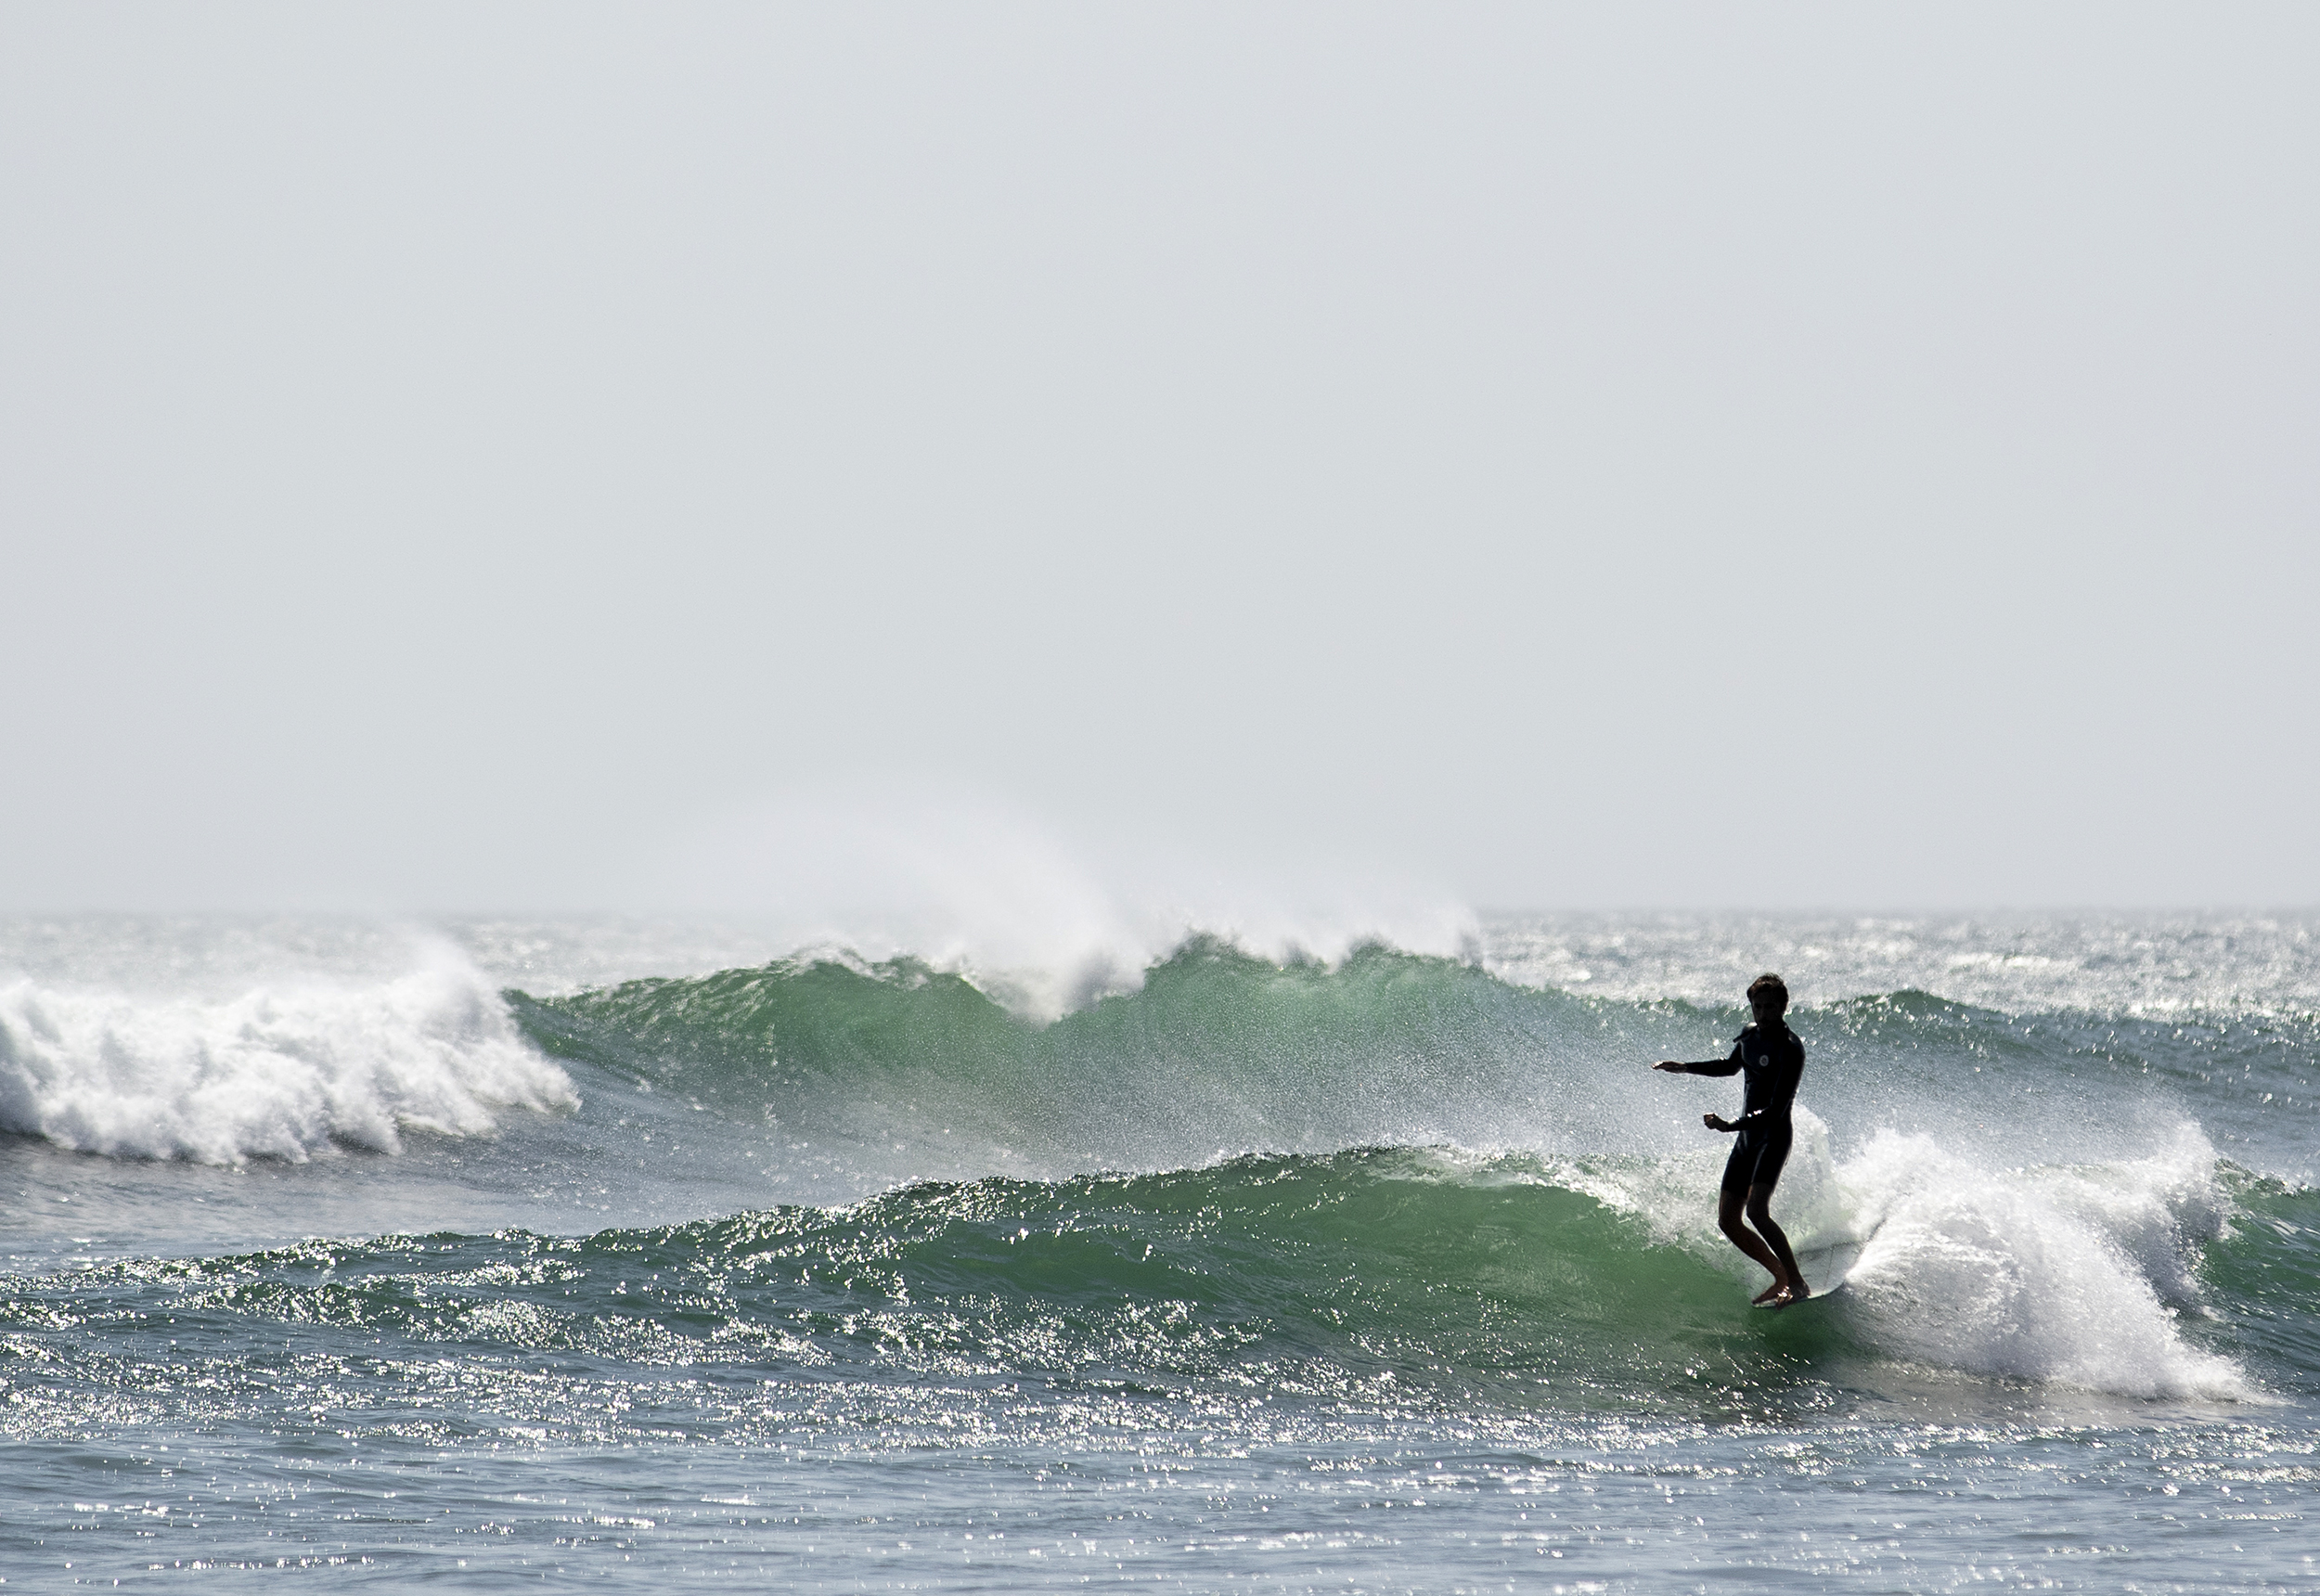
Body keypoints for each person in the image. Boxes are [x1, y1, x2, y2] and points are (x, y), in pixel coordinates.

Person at [1653, 973, 1811, 1306]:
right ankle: (1780, 1276)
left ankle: (1797, 1282)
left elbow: (1776, 1110)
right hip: (1746, 1141)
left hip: (1773, 1138)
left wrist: (1729, 1126)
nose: (1763, 1013)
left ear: (1783, 1007)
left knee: (1757, 1211)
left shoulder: (1791, 1049)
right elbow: (1728, 1066)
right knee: (1727, 1220)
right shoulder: (1749, 1036)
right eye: (1758, 1007)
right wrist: (1685, 1067)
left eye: (1770, 1007)